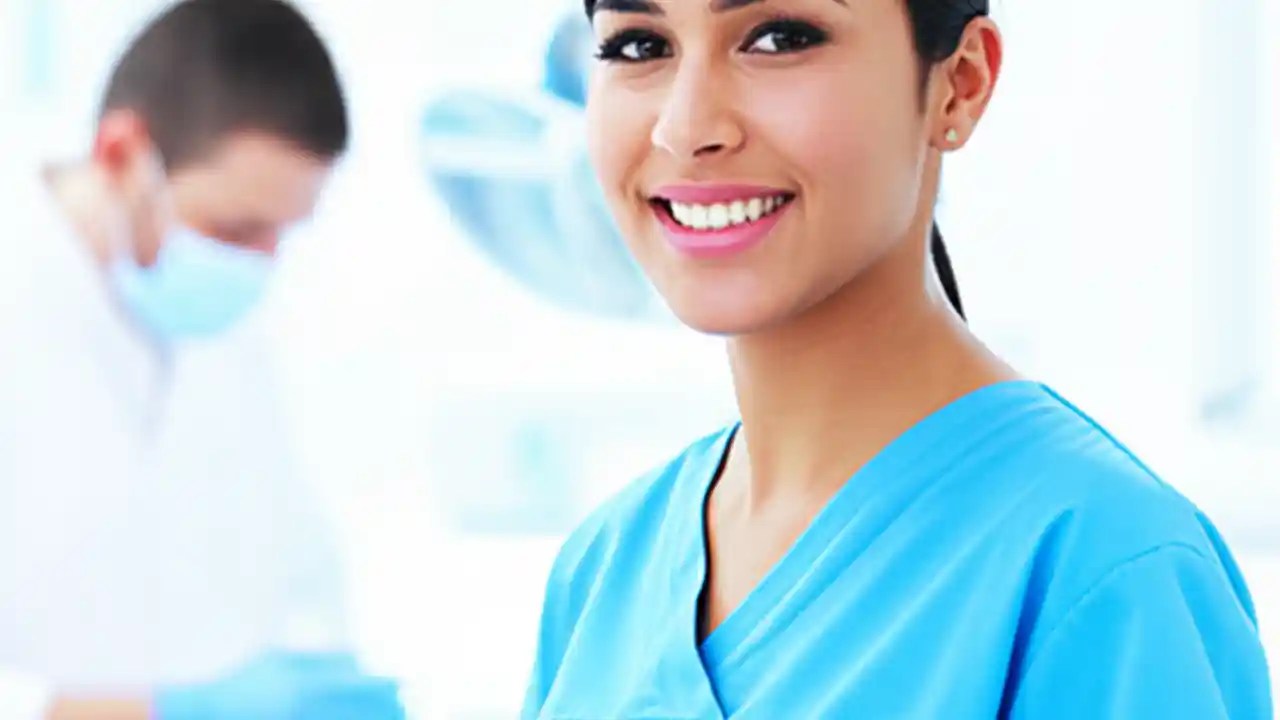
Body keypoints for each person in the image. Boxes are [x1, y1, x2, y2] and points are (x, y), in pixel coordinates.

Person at [523, 1, 1273, 718]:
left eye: (780, 38)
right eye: (639, 45)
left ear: (960, 82)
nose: (686, 128)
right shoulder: (603, 572)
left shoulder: (1104, 568)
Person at [0, 1, 404, 718]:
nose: (257, 265)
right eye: (236, 228)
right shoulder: (23, 303)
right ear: (123, 153)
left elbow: (272, 566)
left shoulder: (217, 328)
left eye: (282, 235)